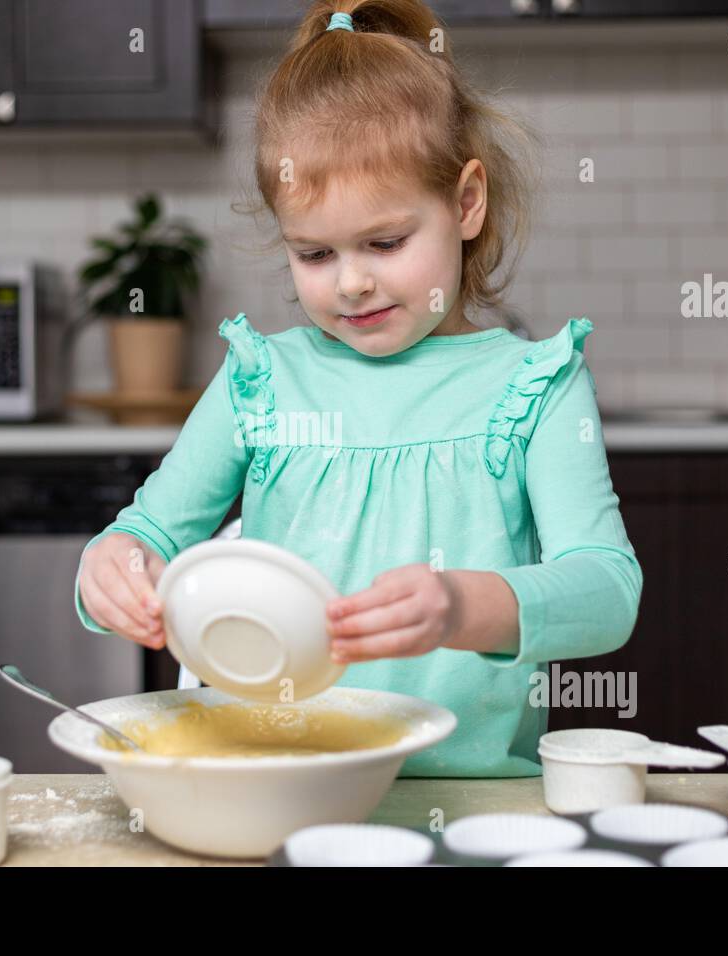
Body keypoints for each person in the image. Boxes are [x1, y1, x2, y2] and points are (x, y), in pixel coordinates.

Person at [74, 0, 642, 777]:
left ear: (466, 202)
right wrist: (112, 564)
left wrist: (458, 605)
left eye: (385, 241)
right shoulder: (260, 382)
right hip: (279, 791)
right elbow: (149, 534)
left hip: (472, 806)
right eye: (313, 253)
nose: (351, 283)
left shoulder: (535, 386)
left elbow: (608, 591)